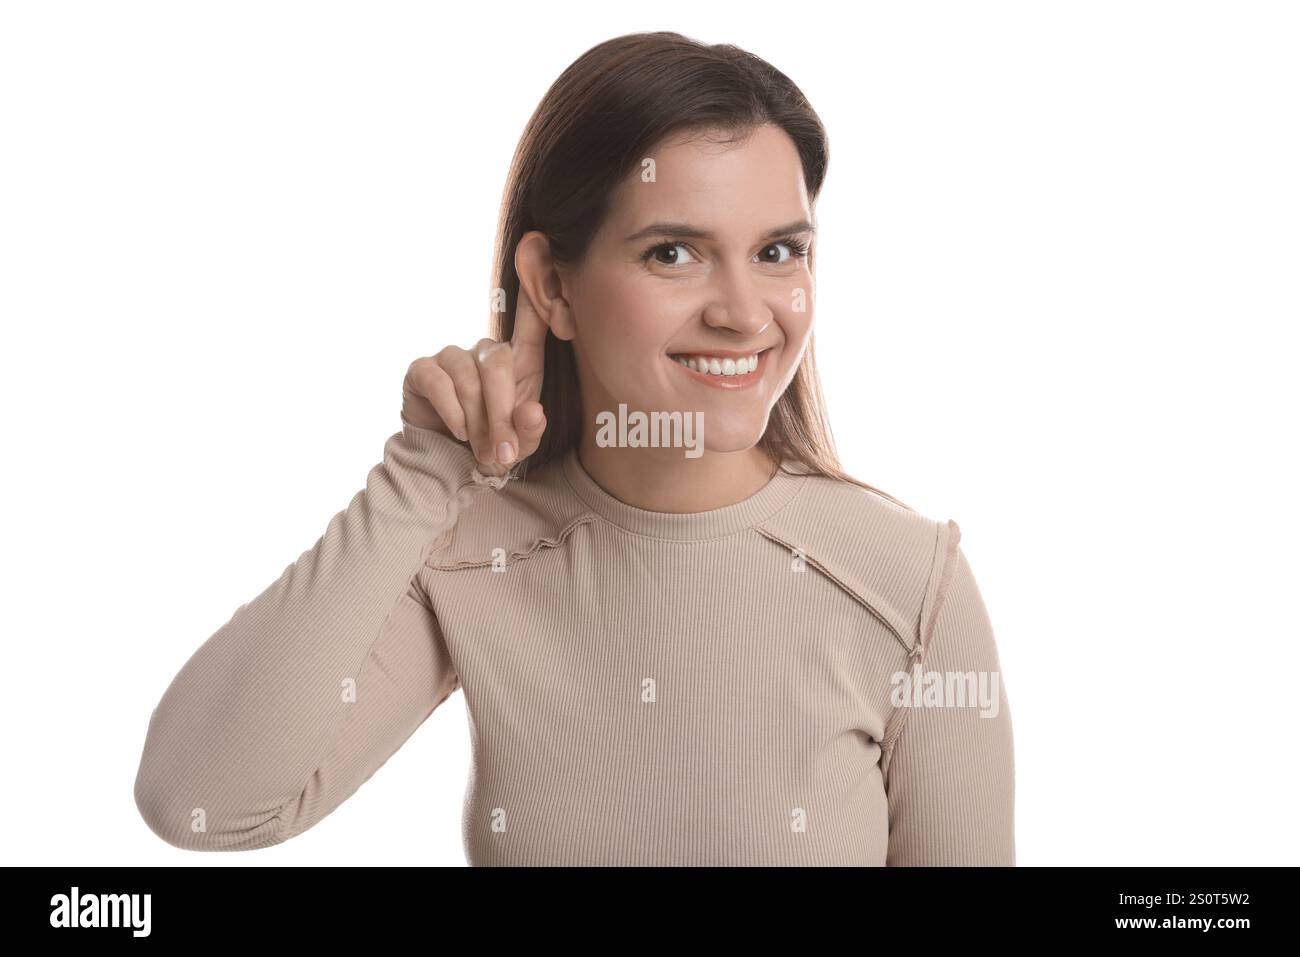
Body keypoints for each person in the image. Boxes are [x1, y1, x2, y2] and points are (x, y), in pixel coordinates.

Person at [134, 30, 1015, 866]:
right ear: (551, 286)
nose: (746, 313)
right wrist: (425, 467)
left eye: (779, 251)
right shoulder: (470, 551)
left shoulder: (907, 581)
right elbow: (201, 799)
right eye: (675, 252)